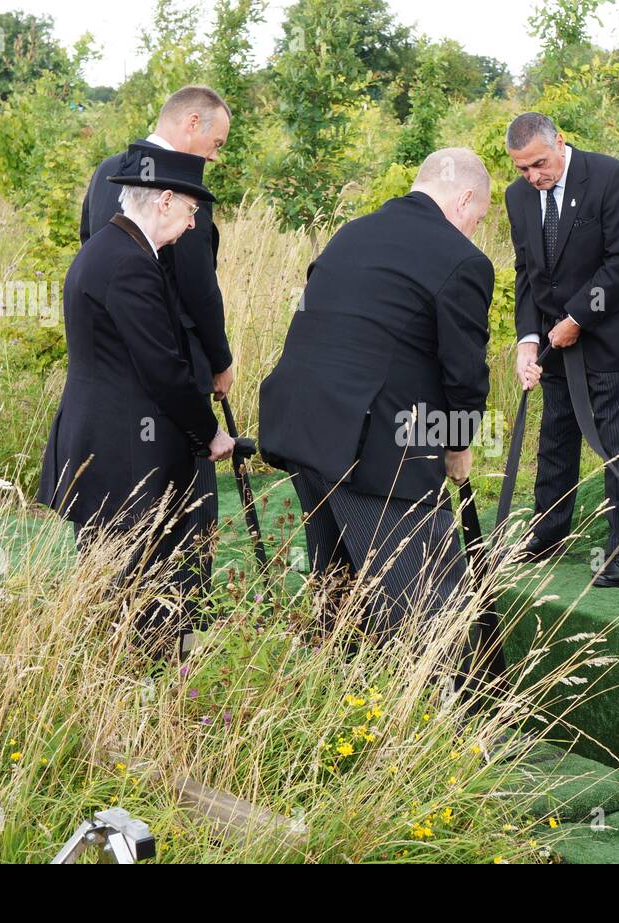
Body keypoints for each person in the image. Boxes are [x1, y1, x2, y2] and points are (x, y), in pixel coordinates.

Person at [257, 147, 493, 639]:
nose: (473, 228)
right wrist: (457, 444)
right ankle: (433, 709)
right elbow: (464, 371)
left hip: (301, 427)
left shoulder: (352, 233)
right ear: (465, 198)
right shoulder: (463, 260)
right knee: (424, 606)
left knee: (337, 591)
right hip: (374, 448)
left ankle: (340, 697)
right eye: (477, 217)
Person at [38, 143, 236, 659]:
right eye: (192, 211)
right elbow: (164, 371)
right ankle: (140, 689)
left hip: (107, 439)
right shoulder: (128, 263)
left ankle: (122, 680)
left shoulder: (113, 247)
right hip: (123, 451)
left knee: (115, 580)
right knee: (139, 586)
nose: (194, 225)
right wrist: (211, 433)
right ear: (165, 200)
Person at [81, 85, 234, 604]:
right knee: (186, 501)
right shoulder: (179, 185)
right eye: (215, 143)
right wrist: (219, 359)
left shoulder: (107, 171)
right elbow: (198, 283)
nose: (214, 156)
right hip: (170, 357)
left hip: (110, 363)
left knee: (118, 511)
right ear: (192, 122)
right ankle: (179, 620)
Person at [504, 111, 619, 588]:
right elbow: (526, 273)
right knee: (555, 440)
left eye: (539, 164)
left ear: (560, 144)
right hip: (554, 344)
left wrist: (577, 319)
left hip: (612, 337)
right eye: (522, 169)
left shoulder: (610, 177)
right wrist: (528, 340)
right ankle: (546, 536)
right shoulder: (519, 197)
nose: (533, 177)